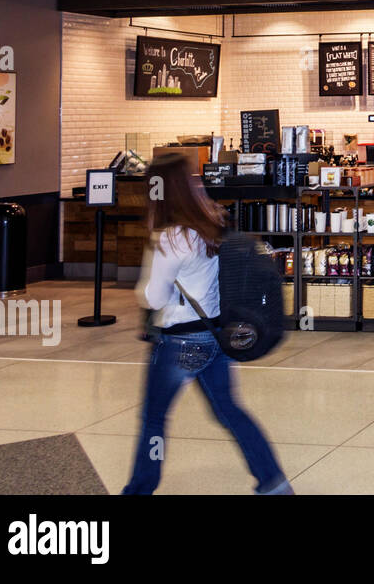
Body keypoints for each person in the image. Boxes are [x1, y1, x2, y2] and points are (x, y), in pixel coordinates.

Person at [123, 154, 292, 496]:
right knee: (230, 411)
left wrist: (141, 287)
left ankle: (139, 490)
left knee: (153, 419)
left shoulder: (170, 238)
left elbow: (154, 298)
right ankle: (273, 481)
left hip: (177, 343)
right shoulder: (213, 224)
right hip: (216, 337)